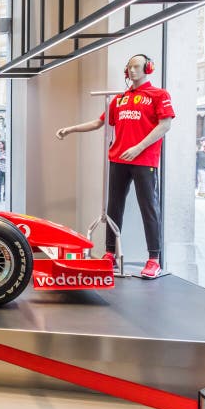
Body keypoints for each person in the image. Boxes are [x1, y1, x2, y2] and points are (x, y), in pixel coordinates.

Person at [56, 54, 175, 279]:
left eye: (137, 67)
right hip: (118, 159)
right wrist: (71, 129)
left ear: (148, 68)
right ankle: (110, 253)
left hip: (143, 160)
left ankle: (154, 259)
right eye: (129, 67)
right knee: (113, 207)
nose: (132, 71)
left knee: (148, 207)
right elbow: (99, 122)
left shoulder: (159, 95)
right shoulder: (119, 99)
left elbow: (165, 125)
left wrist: (139, 147)